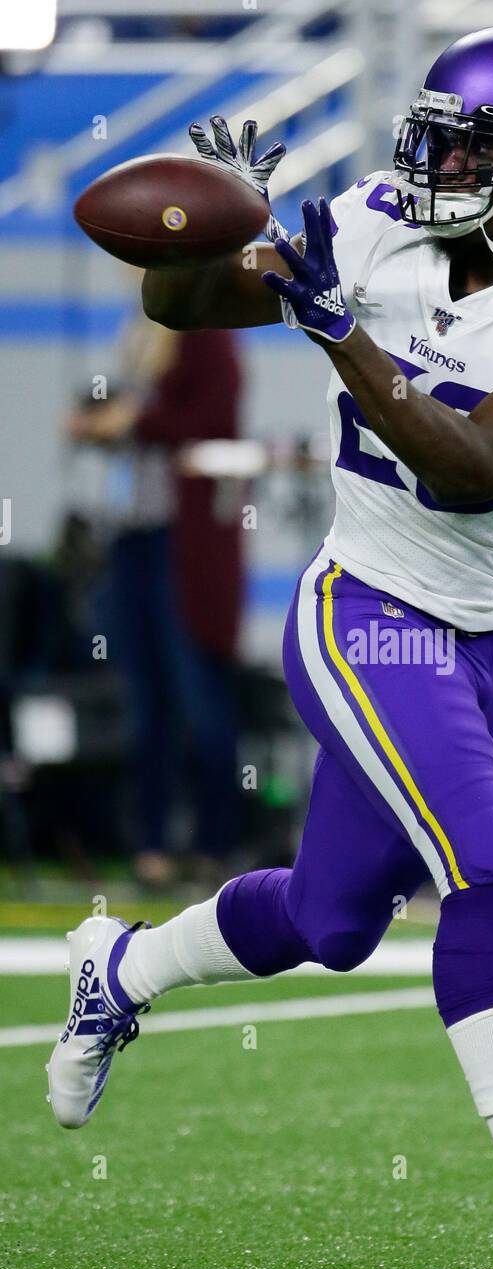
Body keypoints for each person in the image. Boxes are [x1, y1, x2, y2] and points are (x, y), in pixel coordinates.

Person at [48, 26, 493, 1269]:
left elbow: (474, 467)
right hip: (363, 613)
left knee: (329, 921)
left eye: (466, 148)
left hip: (480, 642)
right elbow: (187, 304)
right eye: (429, 138)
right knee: (490, 855)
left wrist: (337, 329)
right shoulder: (378, 222)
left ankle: (122, 966)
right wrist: (210, 234)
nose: (430, 166)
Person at [67, 319, 245, 887]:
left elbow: (213, 420)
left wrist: (133, 421)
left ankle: (214, 843)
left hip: (185, 545)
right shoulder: (139, 334)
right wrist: (107, 421)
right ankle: (152, 844)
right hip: (135, 536)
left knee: (198, 692)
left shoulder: (206, 332)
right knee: (146, 701)